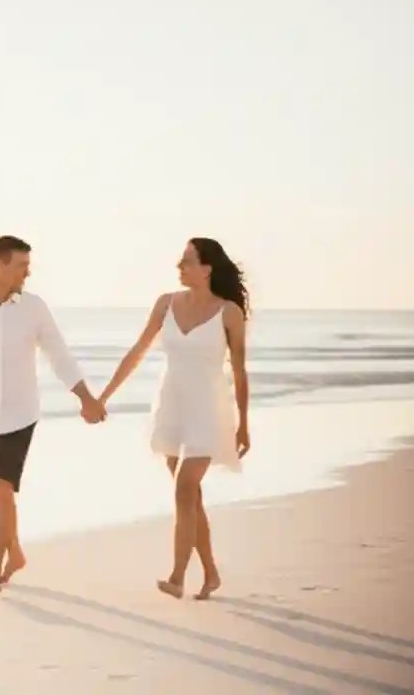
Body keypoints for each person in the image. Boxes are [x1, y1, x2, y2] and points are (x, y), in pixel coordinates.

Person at [0, 235, 106, 593]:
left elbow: (59, 355)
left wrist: (86, 399)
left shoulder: (34, 308)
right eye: (21, 266)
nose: (27, 274)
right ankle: (14, 552)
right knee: (2, 495)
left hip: (20, 415)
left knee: (1, 489)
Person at [98, 237, 251, 600]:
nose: (179, 267)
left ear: (207, 268)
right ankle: (211, 572)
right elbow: (138, 351)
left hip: (209, 410)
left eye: (186, 261)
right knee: (191, 498)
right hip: (172, 406)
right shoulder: (166, 304)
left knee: (185, 488)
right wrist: (104, 396)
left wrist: (244, 423)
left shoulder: (229, 312)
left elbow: (241, 372)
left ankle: (178, 576)